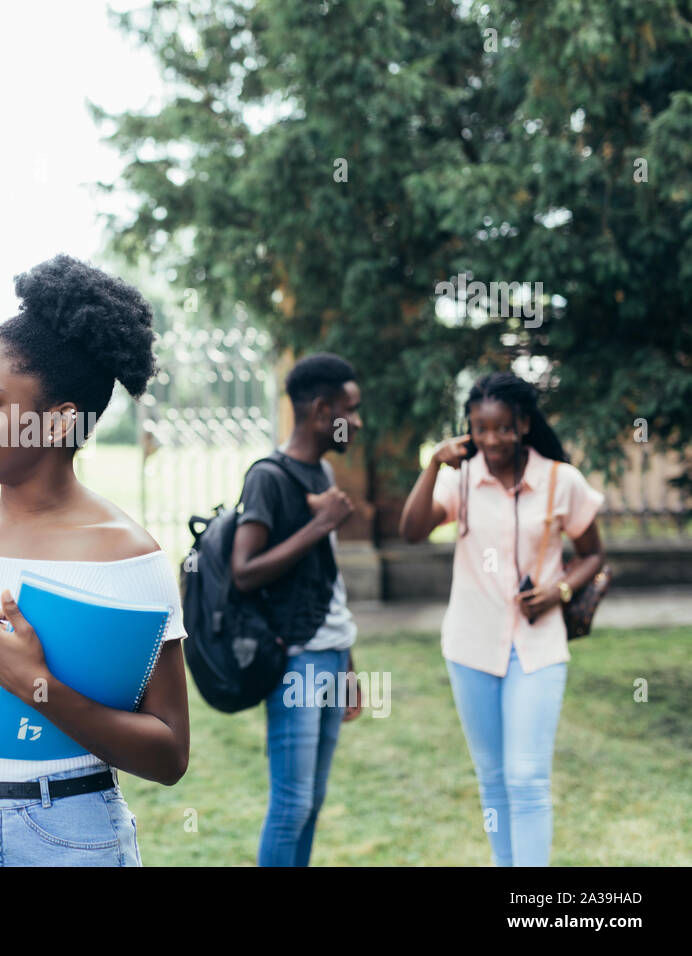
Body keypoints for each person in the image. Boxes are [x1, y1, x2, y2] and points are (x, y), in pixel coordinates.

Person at [0, 254, 189, 867]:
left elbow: (169, 754)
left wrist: (35, 685)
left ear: (59, 421)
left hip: (71, 833)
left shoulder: (128, 557)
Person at [399, 371, 604, 866]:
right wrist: (432, 466)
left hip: (538, 649)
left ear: (524, 425)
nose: (492, 440)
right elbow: (410, 532)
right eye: (481, 429)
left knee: (528, 776)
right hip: (471, 647)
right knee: (492, 778)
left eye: (503, 428)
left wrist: (558, 591)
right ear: (469, 429)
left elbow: (593, 555)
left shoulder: (560, 480)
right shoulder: (461, 479)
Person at [231, 352, 365, 867]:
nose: (356, 423)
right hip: (296, 662)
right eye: (349, 412)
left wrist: (348, 660)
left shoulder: (322, 470)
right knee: (290, 803)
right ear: (319, 411)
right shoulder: (269, 476)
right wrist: (320, 524)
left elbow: (325, 581)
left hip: (330, 654)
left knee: (312, 801)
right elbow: (245, 569)